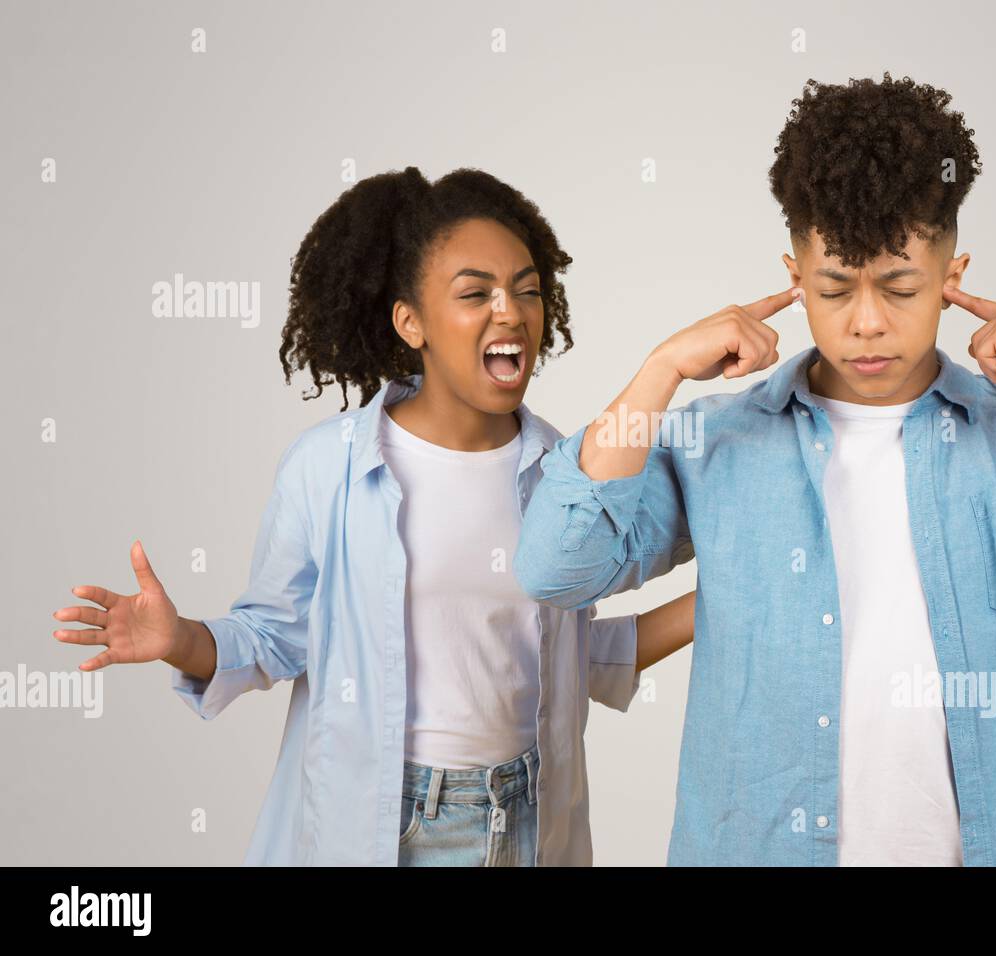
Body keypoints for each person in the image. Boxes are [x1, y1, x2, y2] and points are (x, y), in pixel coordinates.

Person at [514, 74, 996, 866]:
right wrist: (660, 371)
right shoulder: (713, 441)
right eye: (834, 288)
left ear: (952, 281)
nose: (866, 323)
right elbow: (557, 566)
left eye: (900, 287)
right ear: (795, 280)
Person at [51, 166, 696, 866]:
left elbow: (570, 658)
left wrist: (722, 594)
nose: (510, 311)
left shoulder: (566, 473)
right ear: (409, 321)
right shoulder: (328, 469)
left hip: (532, 821)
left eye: (528, 290)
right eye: (476, 293)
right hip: (393, 828)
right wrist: (180, 638)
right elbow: (273, 637)